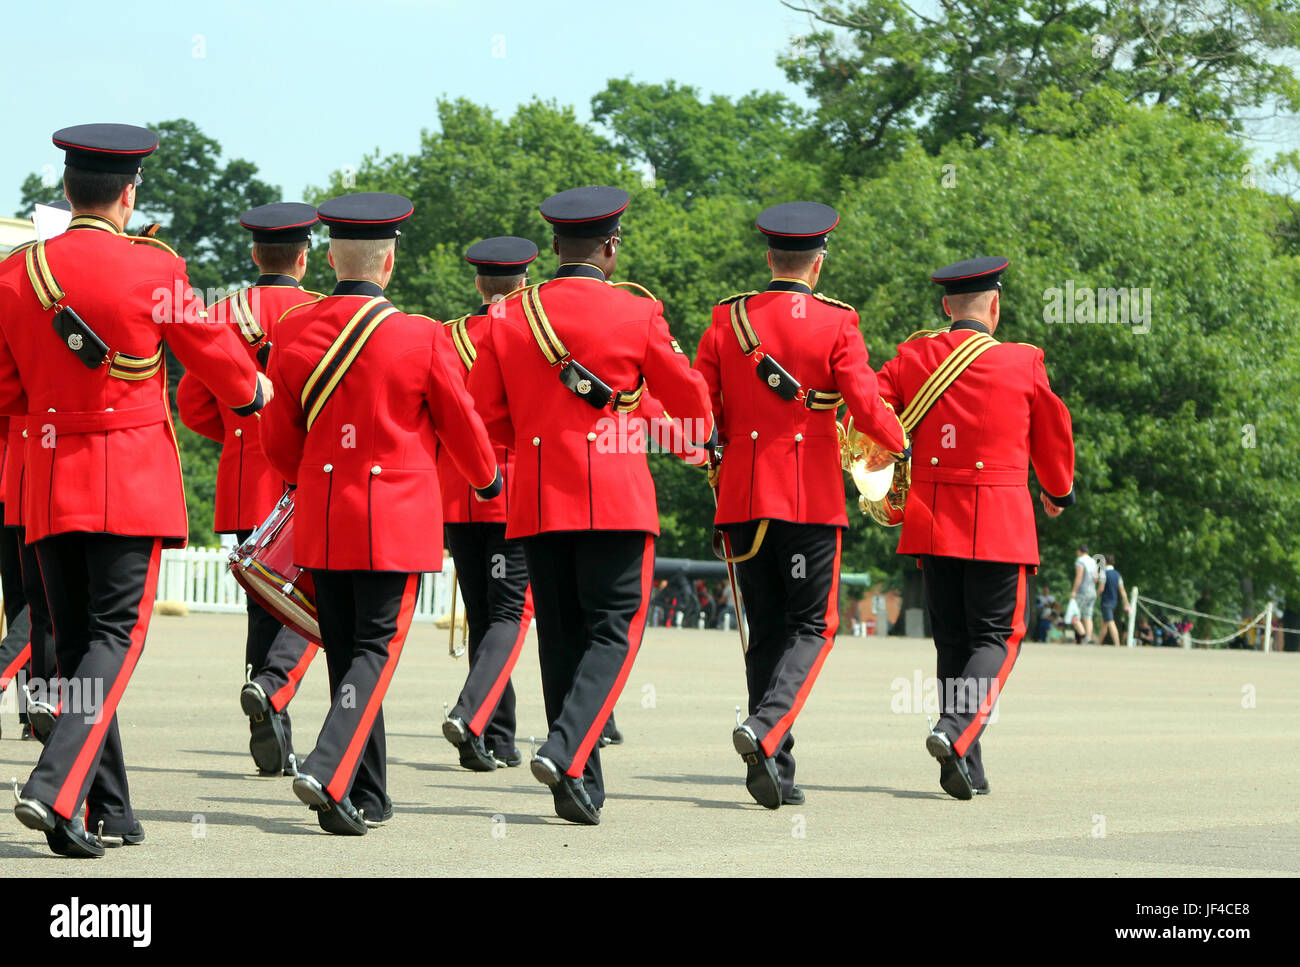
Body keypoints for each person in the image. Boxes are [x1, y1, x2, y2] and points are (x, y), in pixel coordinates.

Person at [1, 124, 269, 857]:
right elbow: (211, 354)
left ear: (66, 189)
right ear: (129, 192)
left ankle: (108, 806)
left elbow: (5, 391)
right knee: (116, 639)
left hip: (48, 484)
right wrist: (252, 393)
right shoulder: (155, 268)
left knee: (86, 641)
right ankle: (54, 786)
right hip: (128, 481)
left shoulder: (19, 272)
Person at [467, 185, 712, 825]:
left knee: (562, 640)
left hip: (537, 501)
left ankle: (576, 781)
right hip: (615, 497)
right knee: (615, 632)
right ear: (611, 246)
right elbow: (689, 406)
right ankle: (568, 747)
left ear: (553, 246)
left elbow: (485, 419)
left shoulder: (508, 317)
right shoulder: (637, 312)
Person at [260, 192, 501, 835]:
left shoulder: (291, 331)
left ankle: (366, 791)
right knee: (376, 648)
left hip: (322, 509)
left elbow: (278, 442)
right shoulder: (421, 336)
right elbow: (464, 427)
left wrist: (306, 477)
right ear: (389, 263)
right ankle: (329, 767)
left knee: (345, 651)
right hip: (393, 516)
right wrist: (486, 482)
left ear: (332, 257)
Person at [694, 201, 908, 809]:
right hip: (807, 496)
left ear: (770, 259)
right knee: (814, 626)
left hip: (740, 498)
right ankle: (765, 731)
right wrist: (900, 444)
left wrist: (715, 451)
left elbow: (700, 403)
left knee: (765, 632)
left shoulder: (727, 319)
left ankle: (775, 766)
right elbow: (866, 406)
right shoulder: (838, 322)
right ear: (818, 264)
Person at [875, 256, 1075, 800]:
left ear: (946, 306)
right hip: (998, 519)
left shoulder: (914, 356)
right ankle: (955, 730)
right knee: (999, 637)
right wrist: (1058, 491)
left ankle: (963, 763)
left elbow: (872, 406)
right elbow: (1054, 431)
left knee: (954, 642)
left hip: (933, 518)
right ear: (995, 305)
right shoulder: (1021, 361)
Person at [178, 202, 323, 777]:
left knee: (259, 606)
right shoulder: (322, 312)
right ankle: (274, 694)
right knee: (310, 602)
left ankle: (268, 726)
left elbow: (191, 405)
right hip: (307, 478)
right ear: (305, 257)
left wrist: (243, 434)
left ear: (255, 254)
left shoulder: (223, 312)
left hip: (246, 478)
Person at [438, 236, 537, 772]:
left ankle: (497, 736)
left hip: (458, 492)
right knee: (509, 614)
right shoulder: (529, 335)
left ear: (478, 283)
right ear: (523, 283)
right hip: (511, 491)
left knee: (484, 617)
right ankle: (473, 716)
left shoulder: (447, 336)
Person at [1068, 544, 1099, 643]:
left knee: (1073, 614)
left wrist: (1074, 591)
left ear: (1079, 551)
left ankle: (1082, 633)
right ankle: (1088, 638)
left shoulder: (1080, 561)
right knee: (1088, 615)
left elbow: (1079, 577)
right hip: (1092, 592)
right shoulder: (1093, 561)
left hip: (1082, 592)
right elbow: (1095, 578)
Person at [1096, 555, 1130, 646]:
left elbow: (1101, 588)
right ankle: (1098, 643)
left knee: (1110, 622)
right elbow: (1122, 590)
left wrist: (1095, 596)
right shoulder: (1117, 574)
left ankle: (1117, 643)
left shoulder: (1103, 573)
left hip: (1106, 601)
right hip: (1114, 602)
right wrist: (1126, 602)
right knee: (1104, 624)